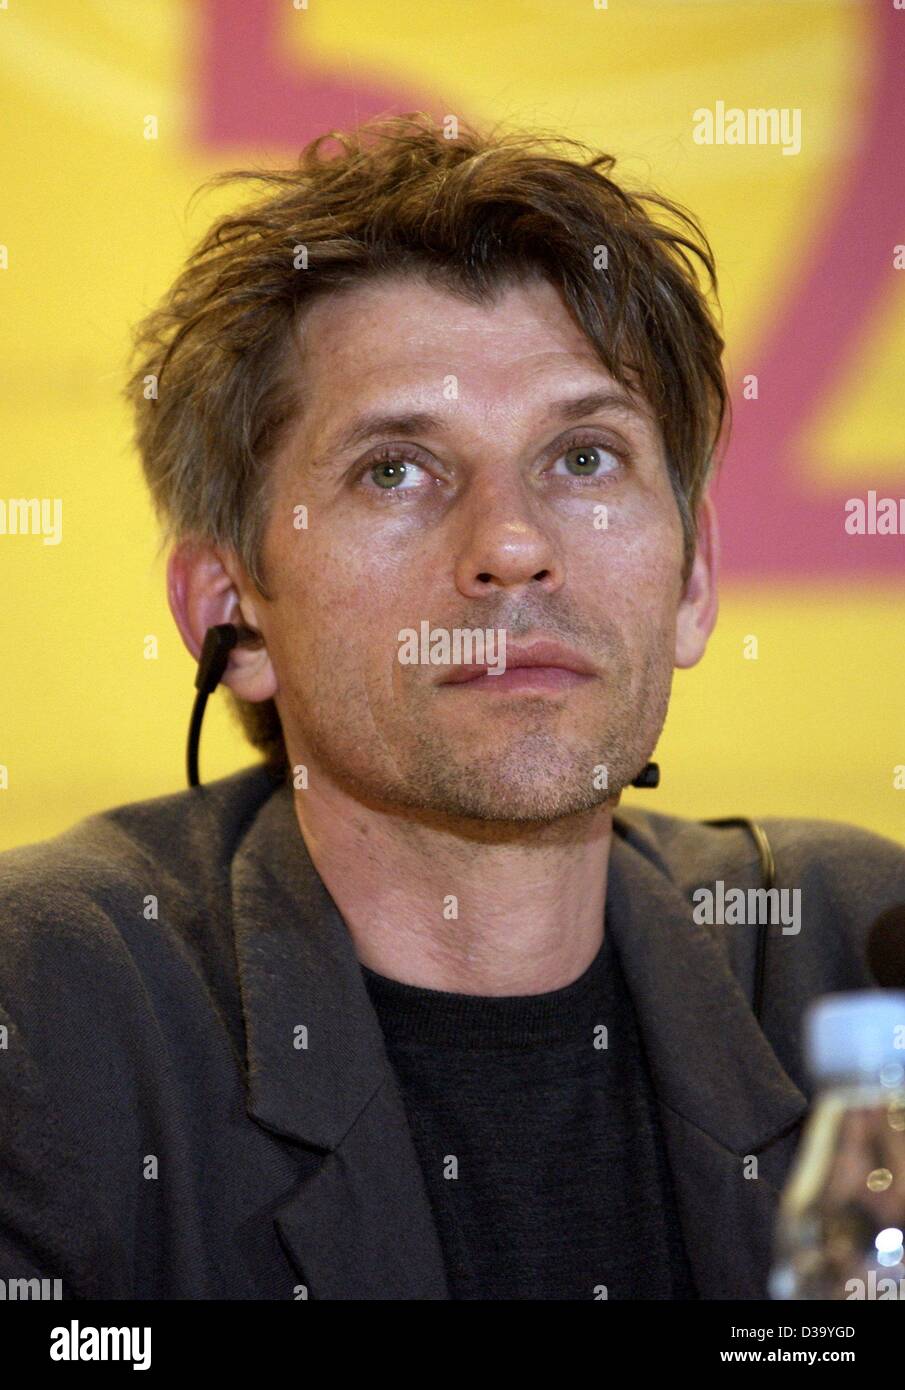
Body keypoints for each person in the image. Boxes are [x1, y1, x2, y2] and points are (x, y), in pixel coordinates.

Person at [1, 114, 902, 1302]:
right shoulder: (52, 1008)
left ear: (691, 584)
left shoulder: (851, 954)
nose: (514, 546)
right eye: (395, 469)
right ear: (232, 611)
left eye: (583, 456)